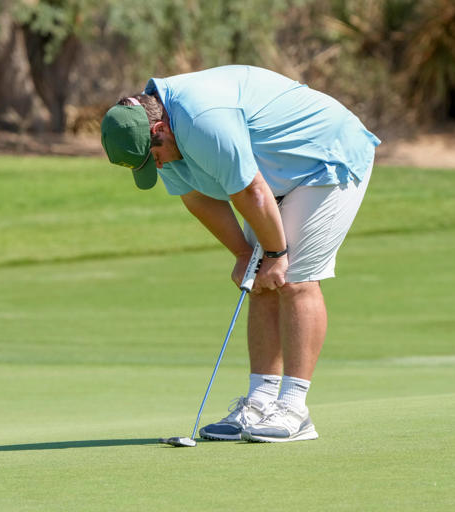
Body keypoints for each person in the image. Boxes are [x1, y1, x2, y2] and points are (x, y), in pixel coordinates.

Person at [100, 65, 380, 443]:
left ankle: (295, 410)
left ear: (159, 130)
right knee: (260, 279)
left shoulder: (202, 119)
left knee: (293, 277)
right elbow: (196, 198)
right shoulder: (157, 133)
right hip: (271, 176)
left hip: (323, 157)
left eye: (157, 157)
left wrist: (277, 253)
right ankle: (261, 402)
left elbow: (250, 192)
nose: (160, 166)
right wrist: (244, 253)